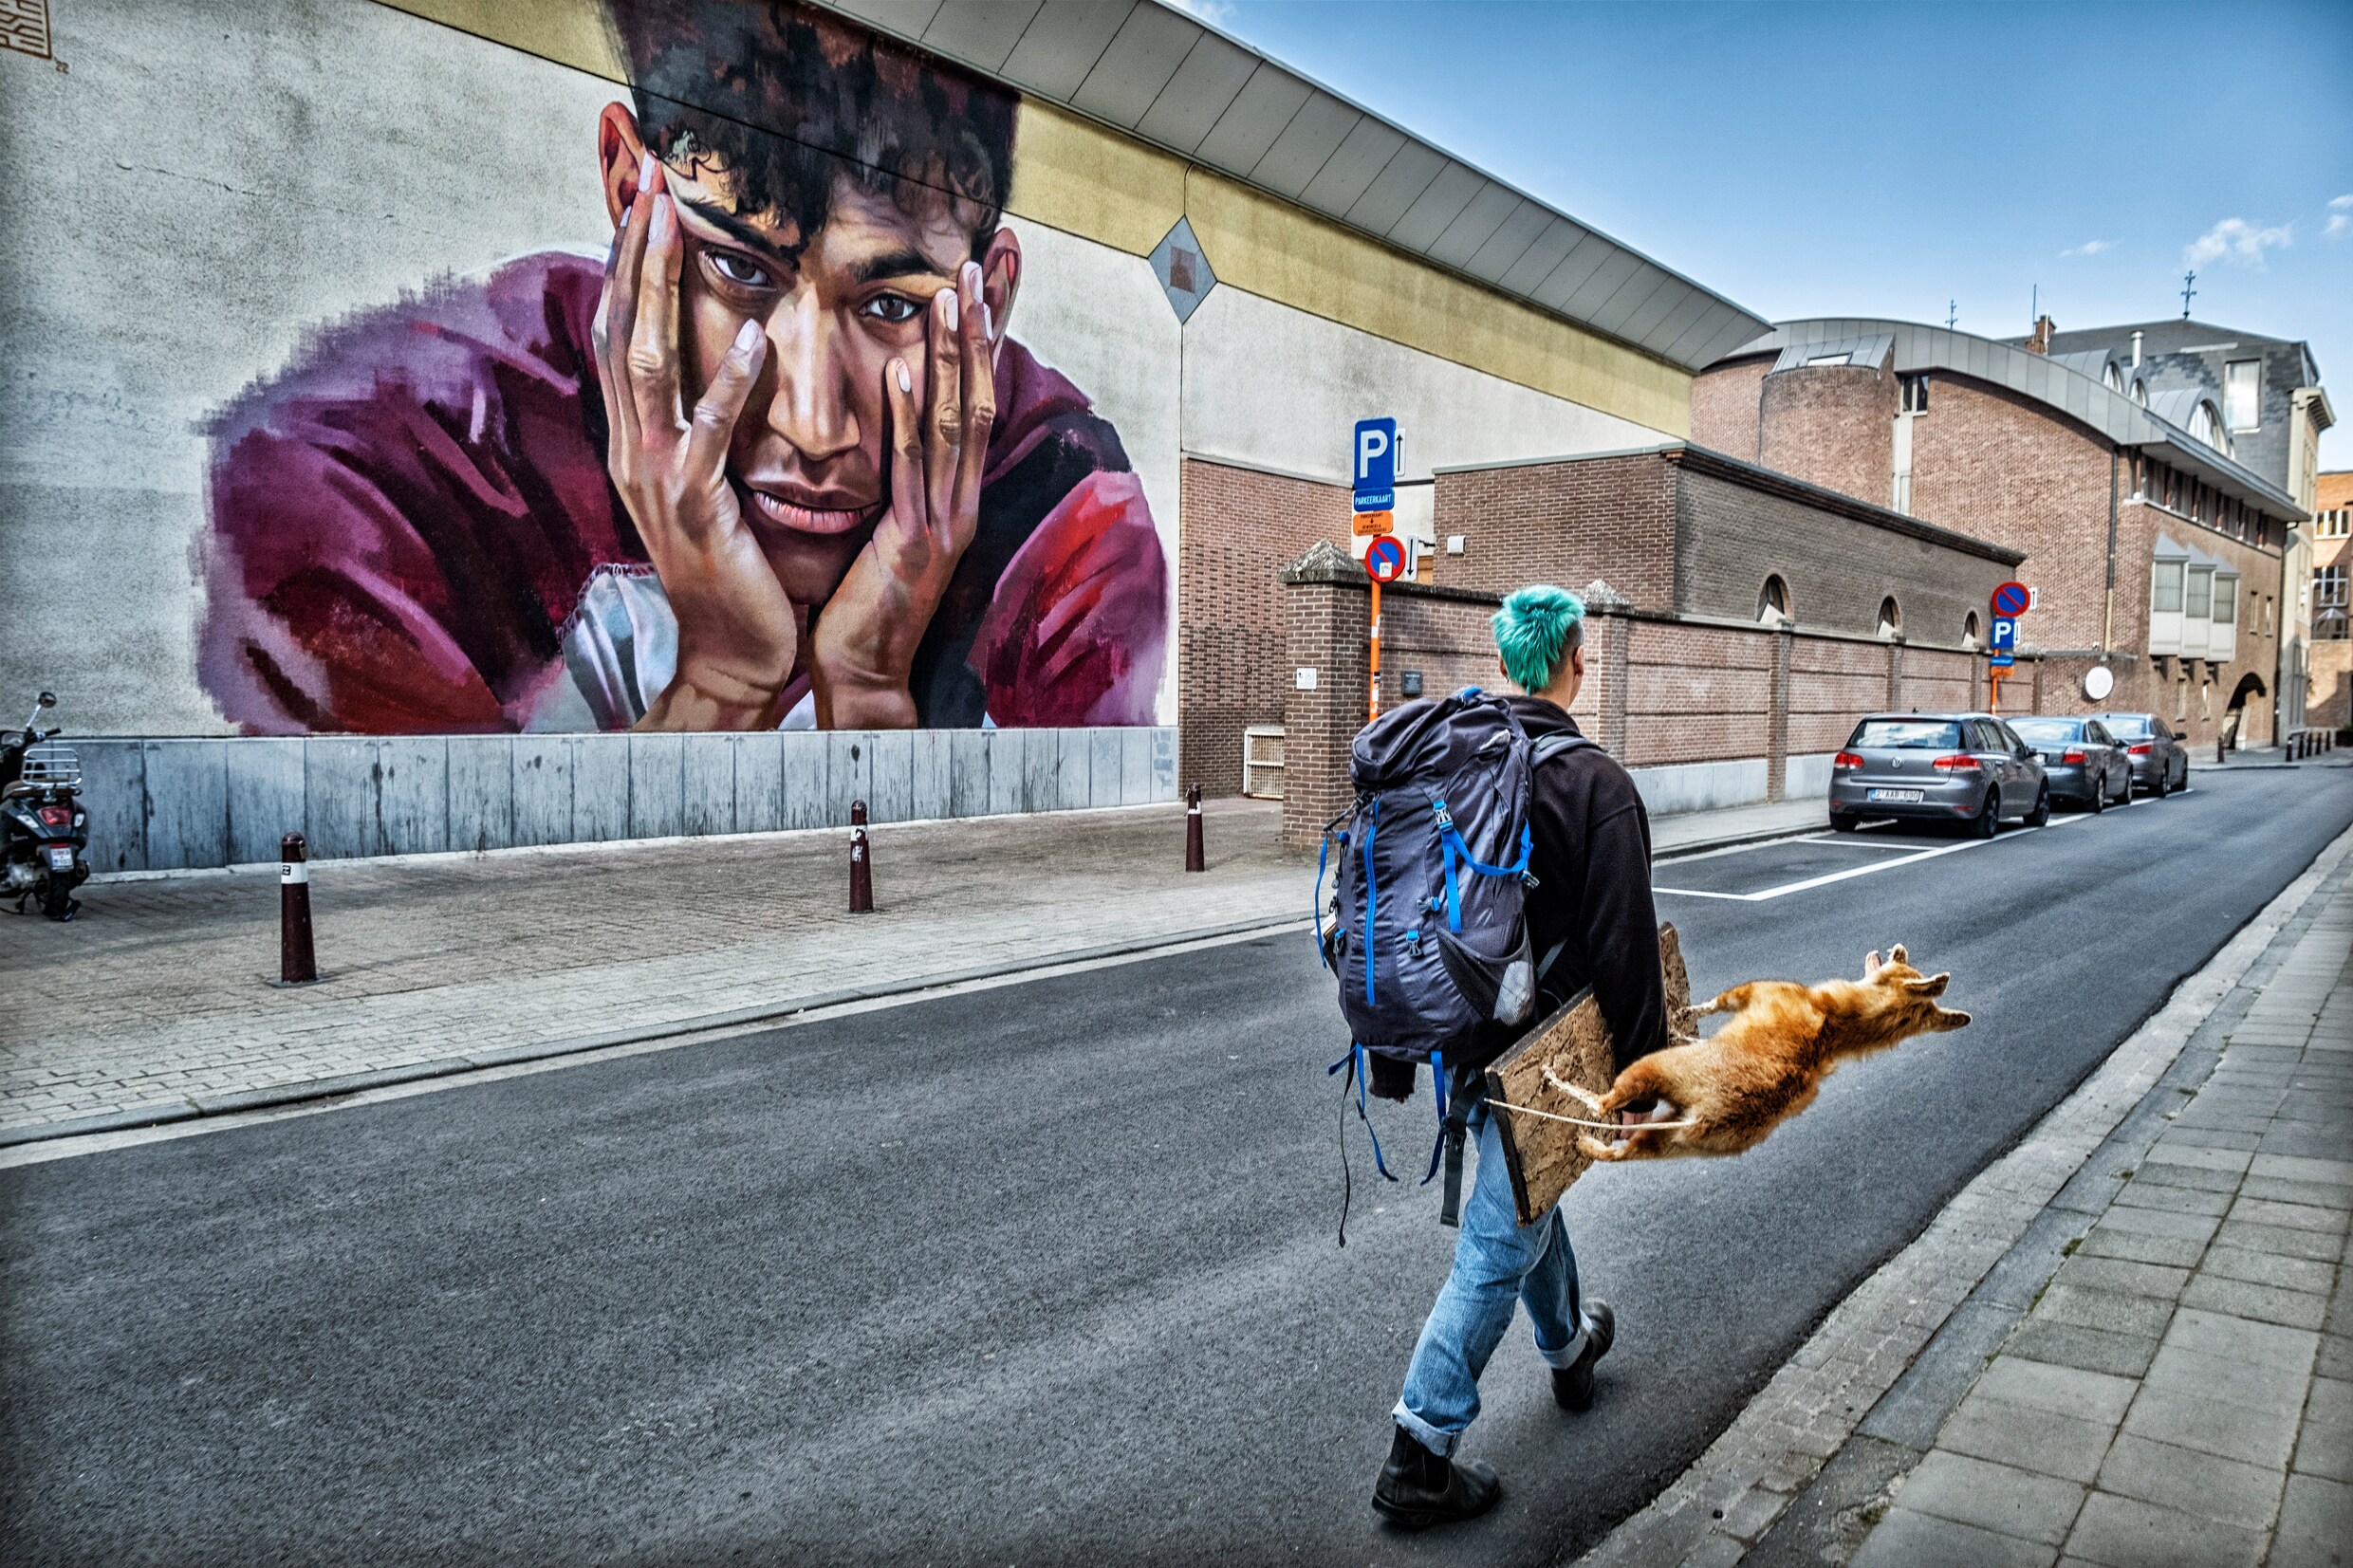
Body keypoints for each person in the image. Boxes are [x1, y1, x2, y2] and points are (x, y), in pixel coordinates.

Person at [199, 0, 1165, 735]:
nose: (813, 424)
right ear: (631, 192)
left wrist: (867, 683)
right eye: (737, 270)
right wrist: (722, 678)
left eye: (890, 306)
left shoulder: (1064, 509)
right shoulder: (370, 476)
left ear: (984, 303)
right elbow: (496, 924)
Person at [1371, 583, 1671, 1530]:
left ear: (1501, 661)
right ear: (1576, 662)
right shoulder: (1595, 786)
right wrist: (1641, 1077)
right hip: (1549, 1051)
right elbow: (1623, 949)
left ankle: (1570, 1347)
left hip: (1452, 1032)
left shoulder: (1446, 760)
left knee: (1526, 1194)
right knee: (1497, 1242)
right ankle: (1418, 1451)